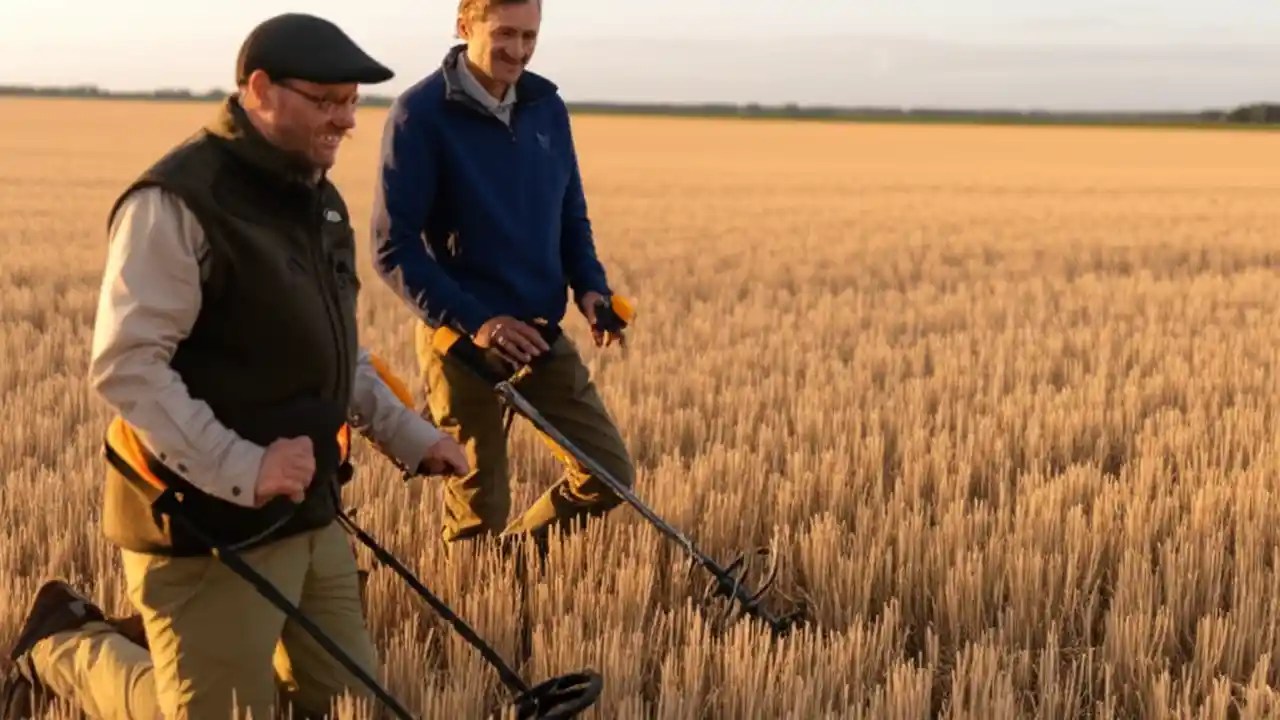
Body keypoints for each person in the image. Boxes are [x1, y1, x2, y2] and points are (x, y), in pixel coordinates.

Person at [1, 13, 470, 720]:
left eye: (351, 101)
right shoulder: (177, 203)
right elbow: (128, 367)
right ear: (258, 89)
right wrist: (243, 467)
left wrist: (409, 436)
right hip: (204, 529)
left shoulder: (319, 201)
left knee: (350, 706)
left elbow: (333, 350)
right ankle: (62, 644)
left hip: (309, 512)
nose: (346, 120)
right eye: (325, 100)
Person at [370, 0, 636, 553]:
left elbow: (570, 213)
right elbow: (392, 249)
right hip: (460, 339)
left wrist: (590, 285)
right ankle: (480, 596)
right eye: (505, 34)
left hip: (538, 331)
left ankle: (511, 560)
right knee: (478, 509)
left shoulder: (546, 107)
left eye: (530, 36)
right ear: (464, 25)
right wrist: (479, 322)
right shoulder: (419, 115)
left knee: (608, 474)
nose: (519, 50)